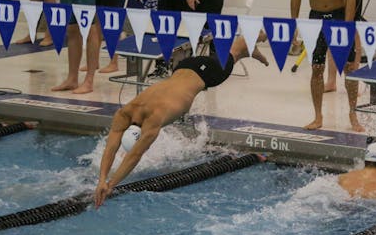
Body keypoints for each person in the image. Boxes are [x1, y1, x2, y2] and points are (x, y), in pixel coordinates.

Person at [93, 37, 269, 207]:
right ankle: (251, 51)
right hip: (184, 66)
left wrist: (110, 184)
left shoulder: (153, 119)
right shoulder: (126, 112)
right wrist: (102, 180)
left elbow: (134, 156)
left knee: (234, 50)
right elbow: (111, 147)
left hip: (208, 73)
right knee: (233, 56)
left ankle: (257, 34)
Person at [290, 0, 360, 131]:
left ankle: (352, 114)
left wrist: (348, 25)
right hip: (316, 19)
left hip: (339, 17)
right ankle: (318, 116)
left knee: (349, 68)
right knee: (317, 68)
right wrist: (293, 25)